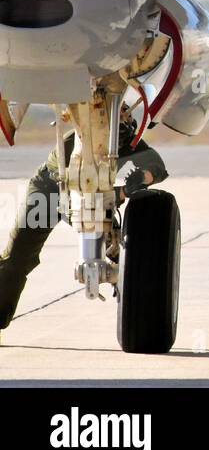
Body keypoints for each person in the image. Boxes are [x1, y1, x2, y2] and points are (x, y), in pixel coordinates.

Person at [0, 103, 168, 342]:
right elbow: (71, 196)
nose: (116, 122)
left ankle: (129, 281)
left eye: (122, 117)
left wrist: (142, 178)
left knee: (121, 242)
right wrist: (120, 195)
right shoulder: (76, 140)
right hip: (49, 190)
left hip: (95, 192)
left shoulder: (127, 141)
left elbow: (156, 165)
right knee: (17, 256)